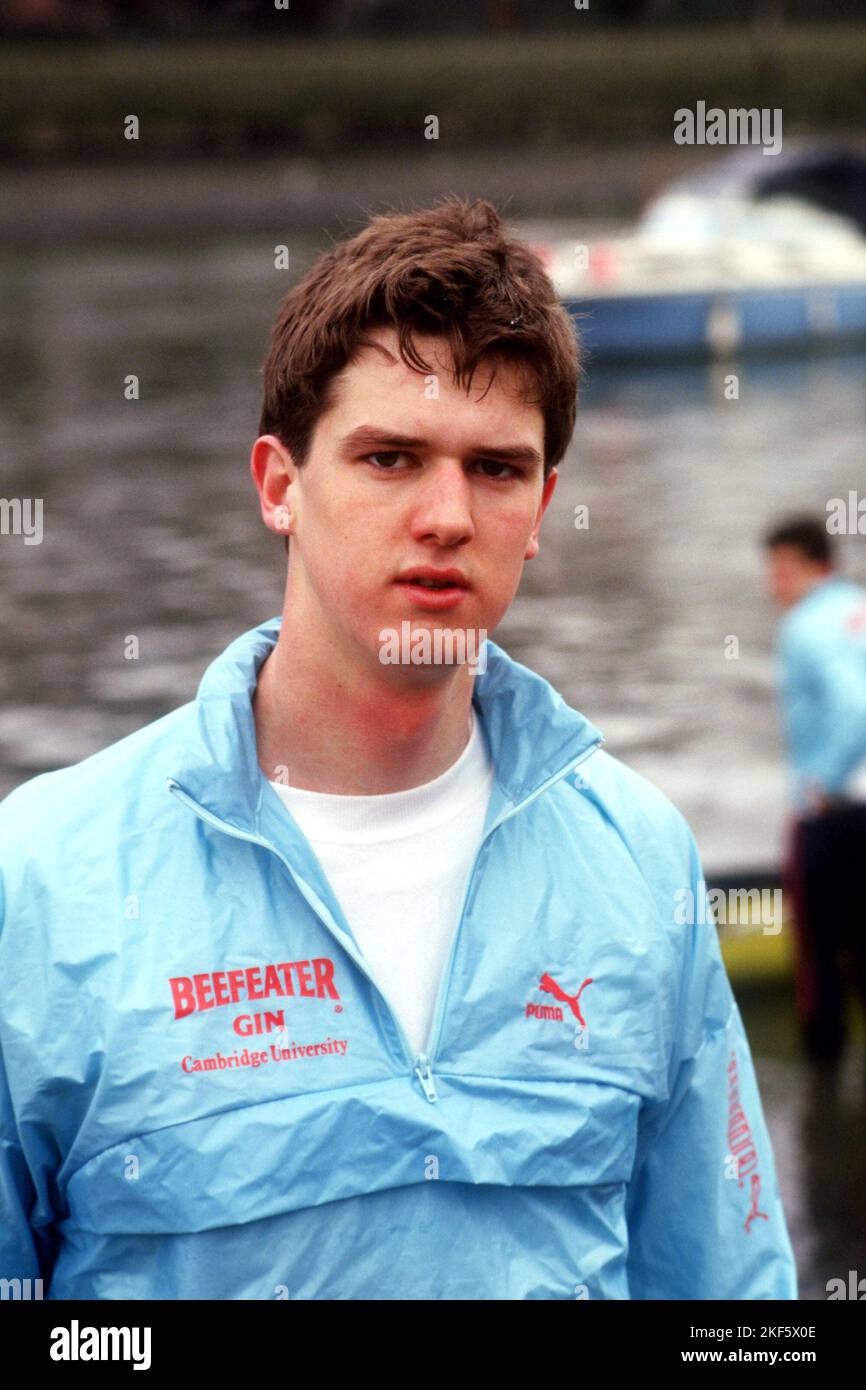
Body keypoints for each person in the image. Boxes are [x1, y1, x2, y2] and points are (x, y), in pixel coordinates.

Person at [0, 197, 796, 1300]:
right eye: (389, 457)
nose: (445, 515)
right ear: (280, 485)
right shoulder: (40, 880)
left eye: (496, 469)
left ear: (542, 505)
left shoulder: (637, 861)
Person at [764, 514, 866, 1064]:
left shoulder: (804, 624)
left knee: (818, 959)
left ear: (812, 567)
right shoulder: (860, 609)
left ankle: (822, 1099)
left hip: (833, 814)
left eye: (779, 570)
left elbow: (855, 707)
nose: (771, 585)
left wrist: (822, 785)